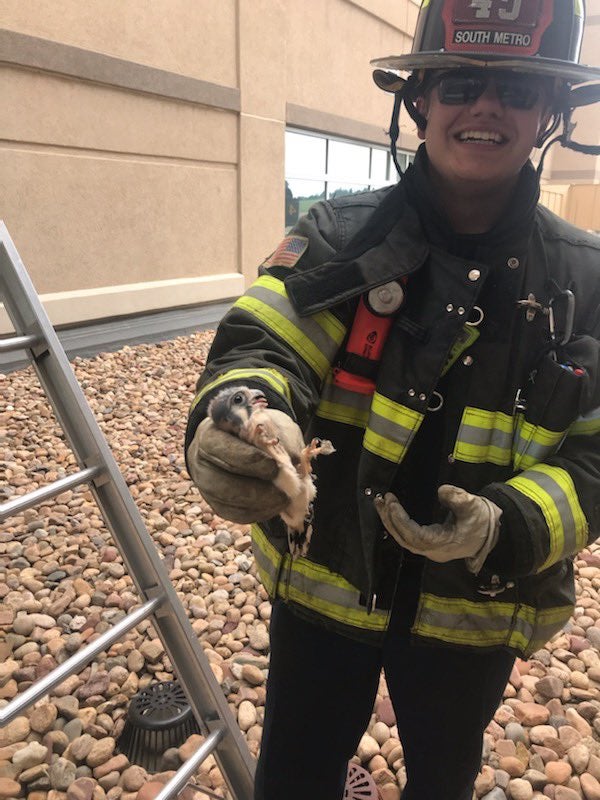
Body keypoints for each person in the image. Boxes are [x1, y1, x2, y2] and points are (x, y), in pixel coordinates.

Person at [185, 2, 600, 798]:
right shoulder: (339, 238)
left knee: (443, 780)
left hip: (475, 611)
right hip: (324, 586)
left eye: (517, 89)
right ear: (420, 101)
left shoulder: (588, 279)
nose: (486, 106)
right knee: (294, 777)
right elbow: (264, 343)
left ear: (550, 111)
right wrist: (241, 415)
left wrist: (510, 524)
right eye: (461, 84)